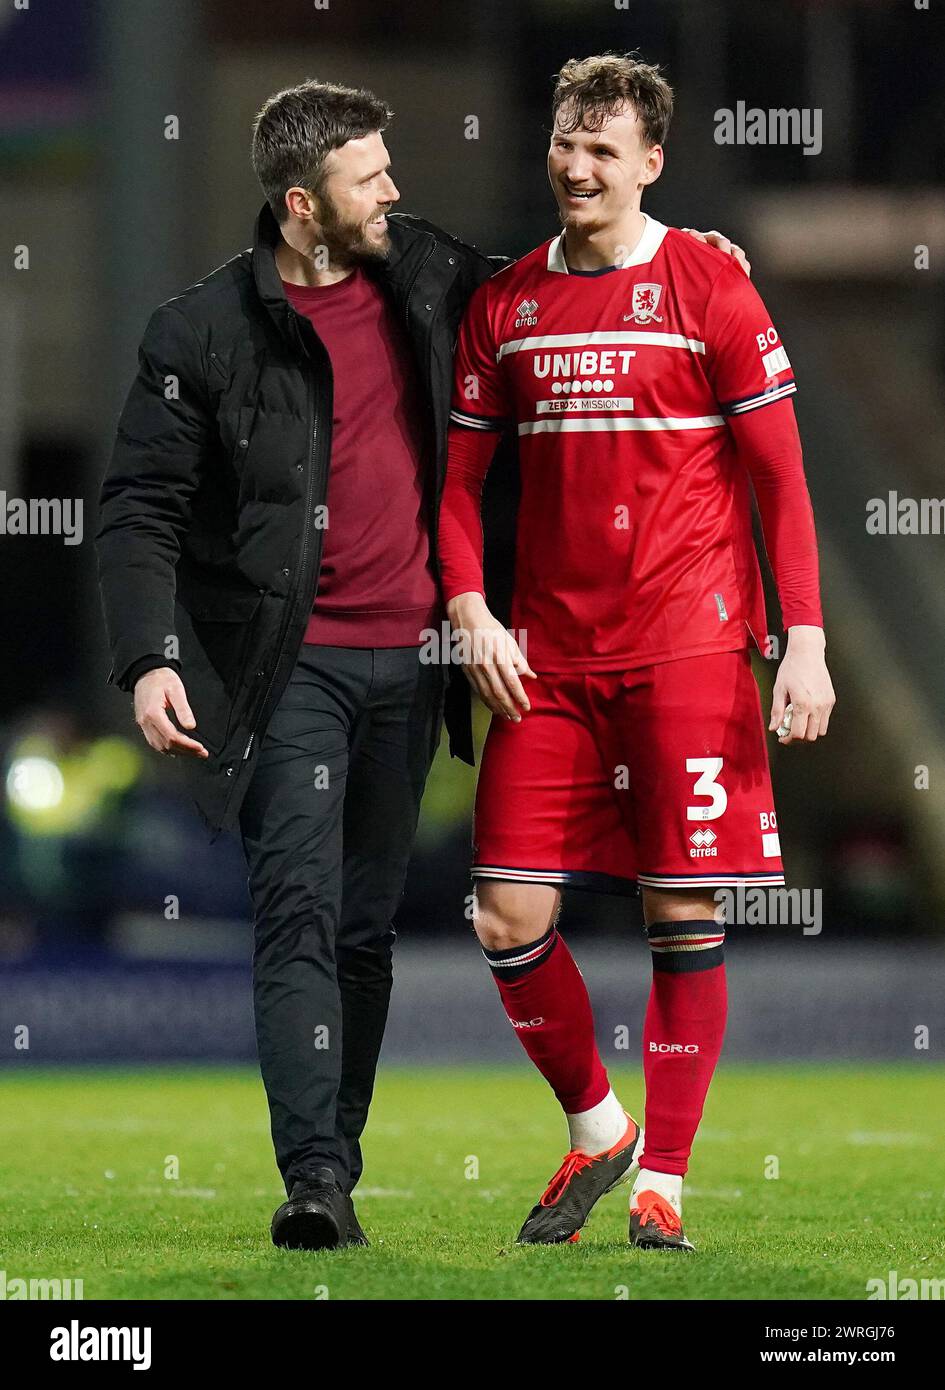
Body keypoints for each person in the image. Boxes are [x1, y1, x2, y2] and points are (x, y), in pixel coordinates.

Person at [96, 74, 751, 1252]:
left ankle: (353, 1154)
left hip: (412, 672)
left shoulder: (435, 273)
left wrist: (675, 251)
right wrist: (148, 655)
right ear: (304, 205)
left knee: (360, 931)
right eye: (370, 175)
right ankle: (316, 1178)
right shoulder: (198, 331)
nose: (396, 188)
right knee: (298, 912)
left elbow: (564, 290)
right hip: (288, 667)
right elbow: (138, 506)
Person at [438, 53, 835, 1251]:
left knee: (682, 911)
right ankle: (597, 1123)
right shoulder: (505, 303)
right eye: (567, 141)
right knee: (506, 913)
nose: (577, 165)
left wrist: (803, 641)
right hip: (545, 659)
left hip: (690, 649)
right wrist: (468, 607)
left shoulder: (710, 286)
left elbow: (782, 481)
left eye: (605, 148)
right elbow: (460, 486)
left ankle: (664, 1175)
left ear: (651, 163)